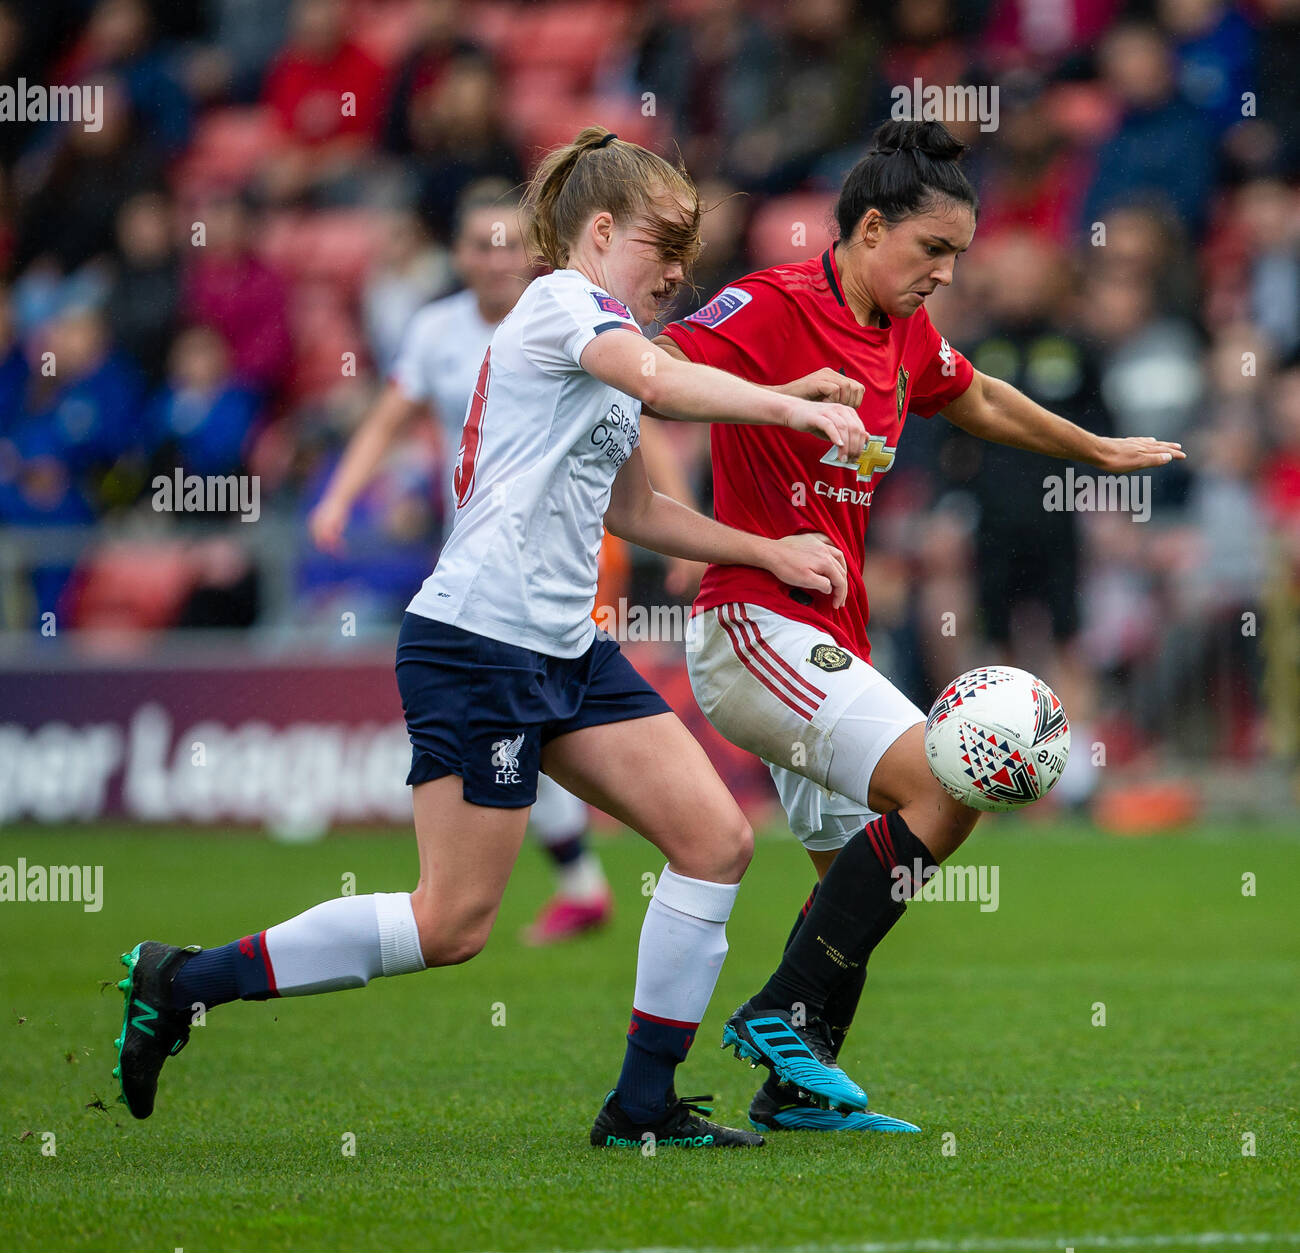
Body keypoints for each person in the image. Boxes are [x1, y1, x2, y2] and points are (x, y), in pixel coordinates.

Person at [112, 126, 868, 1150]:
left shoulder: (604, 342)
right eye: (666, 243)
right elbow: (659, 383)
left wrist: (767, 550)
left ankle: (641, 1104)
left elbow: (637, 509)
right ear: (599, 231)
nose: (682, 270)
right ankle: (186, 980)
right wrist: (788, 407)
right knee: (451, 925)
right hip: (478, 645)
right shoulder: (562, 303)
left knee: (715, 840)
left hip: (563, 648)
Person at [656, 117, 1185, 1133]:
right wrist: (778, 399)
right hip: (754, 622)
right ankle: (779, 1014)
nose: (944, 272)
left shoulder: (904, 333)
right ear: (865, 230)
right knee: (954, 781)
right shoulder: (770, 306)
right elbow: (651, 373)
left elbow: (973, 392)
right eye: (930, 249)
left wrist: (1094, 449)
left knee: (853, 868)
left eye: (957, 254)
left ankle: (795, 1089)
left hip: (829, 638)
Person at [310, 181, 618, 945]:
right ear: (457, 255)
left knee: (528, 711)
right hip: (474, 555)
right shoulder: (437, 330)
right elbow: (390, 417)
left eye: (509, 241)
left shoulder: (567, 318)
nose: (495, 257)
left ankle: (579, 880)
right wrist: (339, 498)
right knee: (521, 716)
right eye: (480, 243)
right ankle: (580, 882)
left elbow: (637, 413)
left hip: (563, 547)